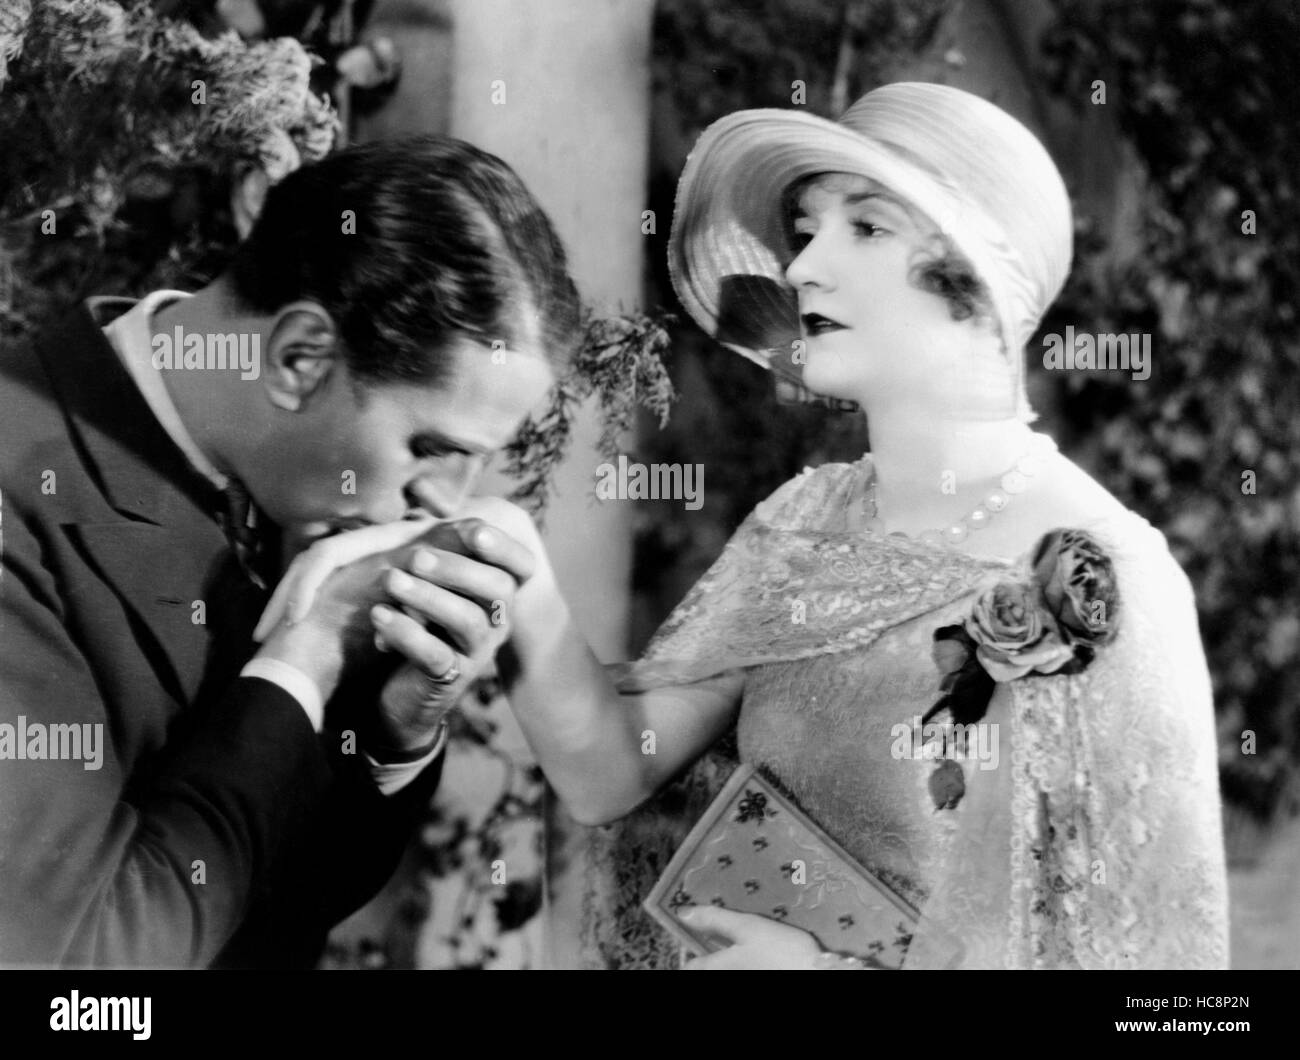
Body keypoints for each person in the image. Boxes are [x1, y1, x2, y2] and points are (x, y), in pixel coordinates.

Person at [268, 83, 1229, 969]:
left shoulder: (1108, 576)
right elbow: (611, 768)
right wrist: (512, 568)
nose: (804, 265)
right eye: (805, 230)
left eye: (865, 226)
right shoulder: (806, 516)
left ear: (981, 274)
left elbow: (1172, 992)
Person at [0, 135, 581, 967]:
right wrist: (308, 654)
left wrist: (393, 730)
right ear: (299, 358)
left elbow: (288, 909)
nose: (448, 501)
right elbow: (86, 973)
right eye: (430, 446)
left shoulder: (283, 483)